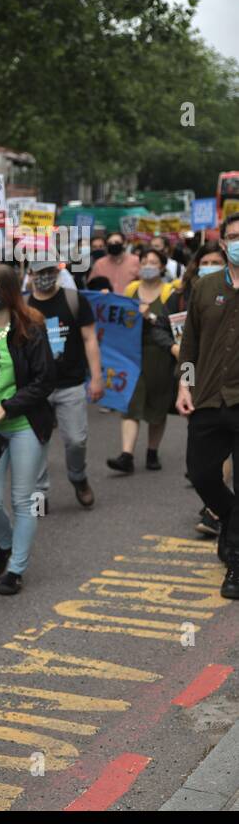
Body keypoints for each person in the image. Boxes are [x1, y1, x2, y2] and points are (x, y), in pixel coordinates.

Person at [0, 265, 56, 594]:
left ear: (9, 290)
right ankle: (5, 543)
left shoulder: (30, 327)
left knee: (23, 500)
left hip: (25, 425)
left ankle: (16, 568)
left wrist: (9, 406)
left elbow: (45, 380)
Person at [176, 214, 239, 599]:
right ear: (222, 244)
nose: (237, 242)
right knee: (201, 475)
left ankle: (235, 562)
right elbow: (190, 346)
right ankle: (229, 517)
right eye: (232, 237)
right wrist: (186, 383)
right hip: (208, 399)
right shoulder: (203, 287)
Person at [26, 258, 104, 508]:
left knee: (76, 439)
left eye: (49, 271)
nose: (44, 276)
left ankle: (79, 478)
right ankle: (39, 493)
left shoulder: (73, 299)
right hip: (36, 387)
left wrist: (97, 377)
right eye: (39, 272)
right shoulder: (23, 305)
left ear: (57, 273)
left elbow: (89, 338)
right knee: (36, 443)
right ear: (30, 274)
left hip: (70, 382)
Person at [107, 248, 177, 474]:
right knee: (131, 403)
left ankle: (152, 451)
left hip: (160, 353)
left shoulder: (169, 292)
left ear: (163, 267)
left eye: (153, 262)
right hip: (132, 353)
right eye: (144, 261)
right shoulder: (131, 289)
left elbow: (174, 324)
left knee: (158, 404)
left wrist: (151, 316)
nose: (148, 265)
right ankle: (126, 455)